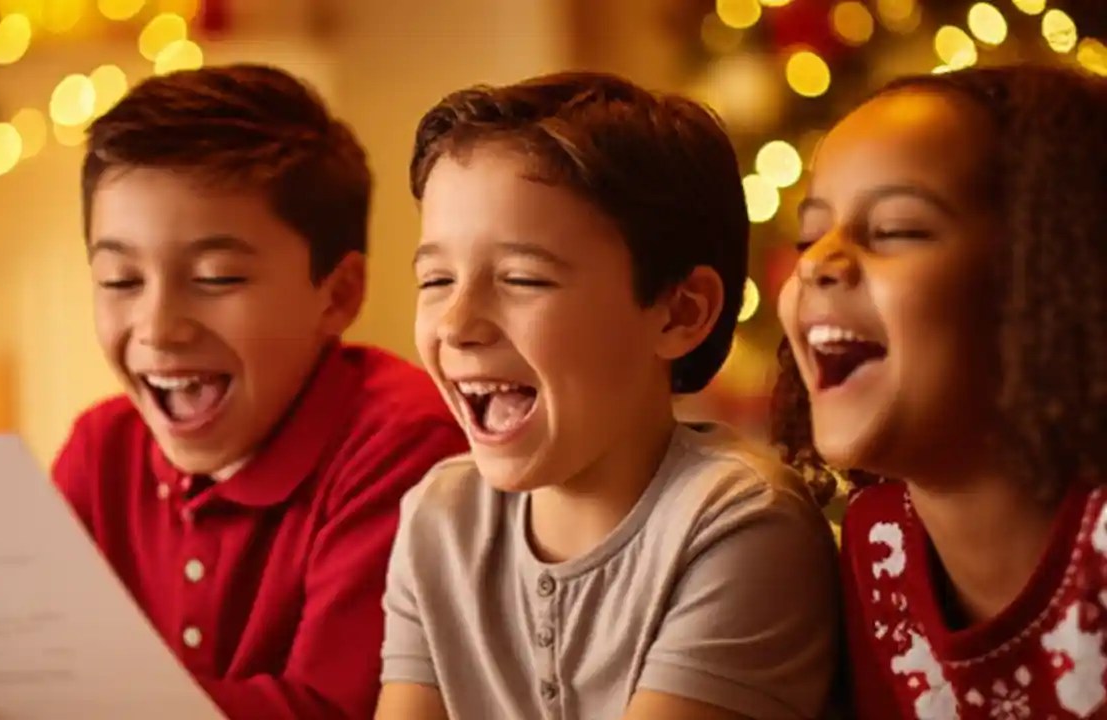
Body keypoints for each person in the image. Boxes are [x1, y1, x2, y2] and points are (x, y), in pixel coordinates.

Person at [377, 71, 839, 720]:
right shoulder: (439, 520)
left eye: (521, 279)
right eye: (437, 279)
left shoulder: (740, 522)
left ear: (680, 312)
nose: (455, 324)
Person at [52, 64, 466, 718]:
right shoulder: (101, 448)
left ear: (338, 294)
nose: (158, 329)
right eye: (119, 280)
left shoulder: (405, 447)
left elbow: (330, 711)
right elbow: (35, 664)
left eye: (216, 279)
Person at [773, 64, 1107, 719]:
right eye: (811, 235)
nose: (816, 261)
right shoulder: (878, 541)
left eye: (895, 229)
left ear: (1043, 273)